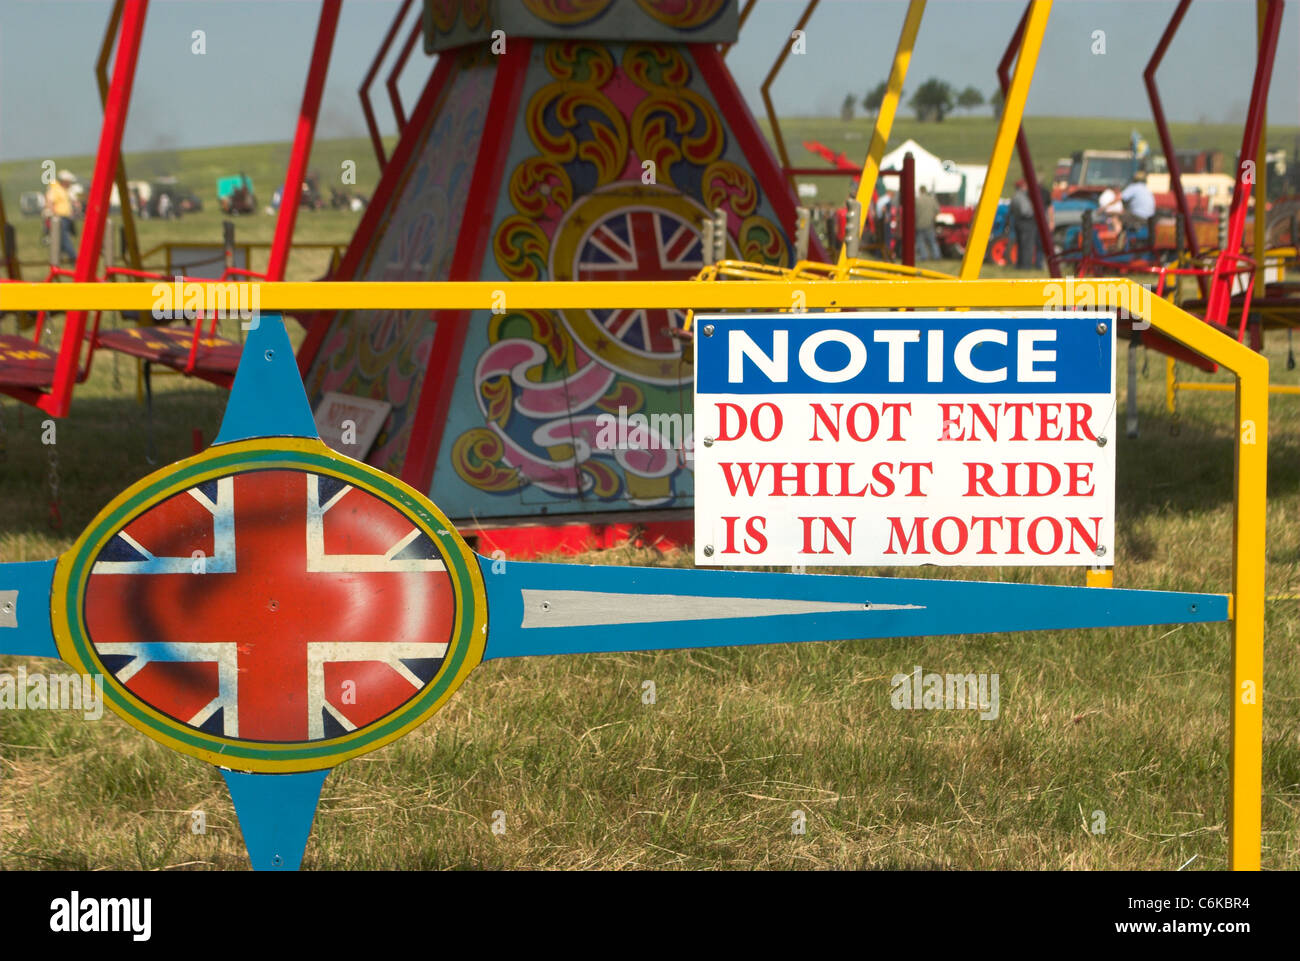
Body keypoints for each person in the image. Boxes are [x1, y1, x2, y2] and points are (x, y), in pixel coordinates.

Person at [44, 170, 78, 264]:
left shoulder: (64, 190)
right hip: (59, 218)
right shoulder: (55, 189)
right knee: (65, 238)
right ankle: (74, 258)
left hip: (66, 218)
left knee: (60, 240)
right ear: (64, 181)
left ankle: (57, 260)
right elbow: (50, 202)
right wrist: (54, 215)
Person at [1119, 169, 1156, 240]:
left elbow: (1120, 197)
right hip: (1149, 218)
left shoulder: (1134, 187)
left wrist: (1103, 208)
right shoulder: (1146, 188)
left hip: (1139, 216)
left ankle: (1120, 240)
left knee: (1118, 216)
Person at [1010, 179, 1036, 270]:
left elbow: (1011, 209)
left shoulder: (1014, 196)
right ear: (1022, 187)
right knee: (1027, 245)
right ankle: (1026, 266)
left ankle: (1020, 264)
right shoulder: (1022, 197)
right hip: (1026, 222)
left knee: (1020, 244)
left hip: (1018, 221)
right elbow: (1025, 210)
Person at [914, 186, 941, 261]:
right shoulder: (931, 200)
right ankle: (936, 255)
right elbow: (938, 210)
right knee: (932, 241)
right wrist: (933, 217)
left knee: (920, 241)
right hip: (929, 224)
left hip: (919, 224)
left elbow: (913, 212)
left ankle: (924, 256)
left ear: (920, 191)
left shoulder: (917, 200)